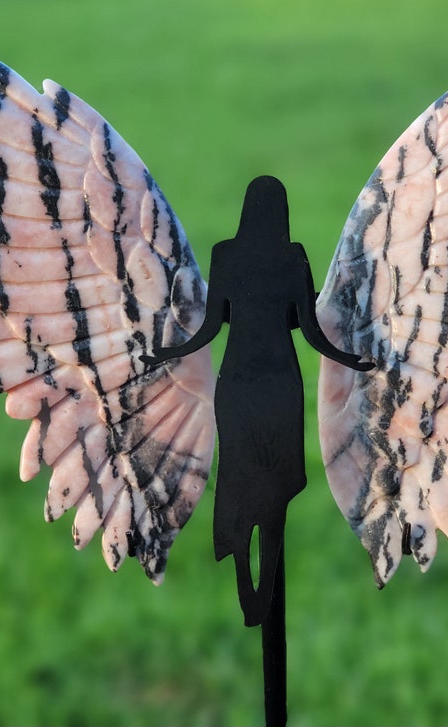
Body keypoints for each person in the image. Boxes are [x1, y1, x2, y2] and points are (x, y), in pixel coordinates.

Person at [142, 176, 372, 626]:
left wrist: (170, 353)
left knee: (242, 483)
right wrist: (351, 359)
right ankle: (262, 590)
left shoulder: (226, 255)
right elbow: (311, 332)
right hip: (281, 385)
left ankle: (250, 590)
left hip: (239, 384)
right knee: (274, 494)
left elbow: (209, 330)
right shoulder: (292, 258)